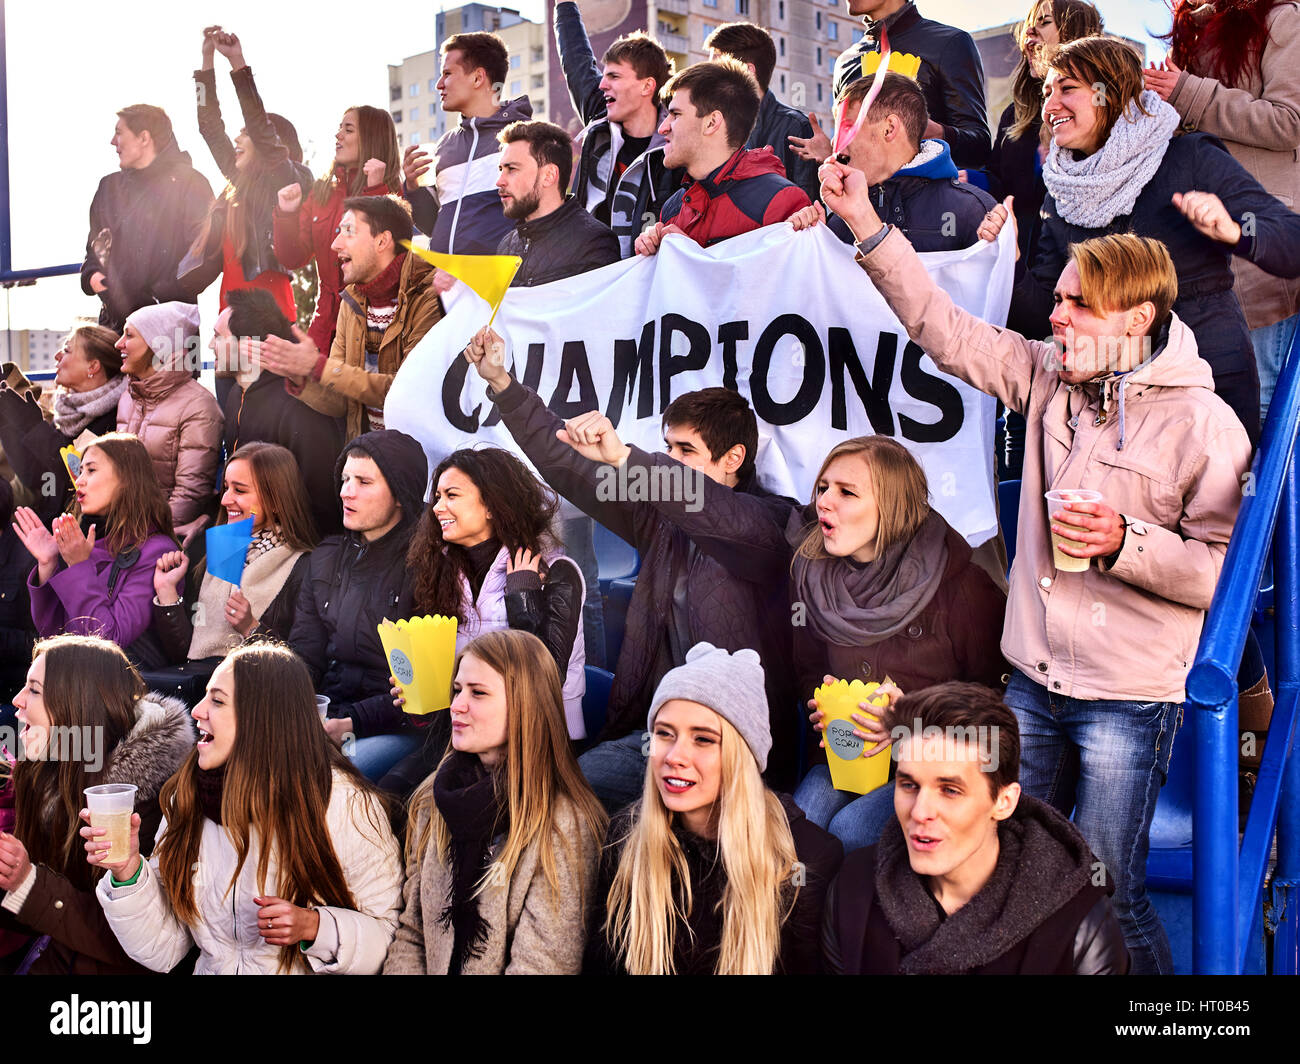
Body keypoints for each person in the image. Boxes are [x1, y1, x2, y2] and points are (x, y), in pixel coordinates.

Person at [825, 154, 1251, 974]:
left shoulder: (1205, 424)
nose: (1056, 318)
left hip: (1128, 699)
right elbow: (940, 326)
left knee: (1107, 886)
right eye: (1057, 300)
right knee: (1015, 871)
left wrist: (1126, 545)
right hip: (1029, 683)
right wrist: (864, 225)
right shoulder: (1045, 376)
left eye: (1078, 307)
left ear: (1136, 316)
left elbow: (1223, 579)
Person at [465, 332, 799, 809]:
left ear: (733, 459)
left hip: (737, 752)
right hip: (649, 740)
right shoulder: (657, 517)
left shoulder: (773, 522)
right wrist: (501, 383)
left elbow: (718, 514)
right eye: (667, 448)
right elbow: (566, 463)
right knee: (562, 802)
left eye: (686, 451)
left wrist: (626, 458)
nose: (670, 460)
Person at [997, 34, 1300, 446]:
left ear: (1112, 91)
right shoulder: (1060, 192)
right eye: (1047, 92)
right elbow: (1042, 319)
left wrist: (1235, 231)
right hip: (1111, 405)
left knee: (1215, 511)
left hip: (1206, 387)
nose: (1050, 106)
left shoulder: (1188, 156)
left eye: (1068, 89)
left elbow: (1291, 242)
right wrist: (1009, 261)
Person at [89, 642, 402, 974]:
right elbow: (163, 948)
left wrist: (315, 928)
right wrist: (127, 872)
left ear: (263, 720)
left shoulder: (343, 803)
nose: (196, 710)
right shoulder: (187, 795)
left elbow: (390, 939)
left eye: (217, 700)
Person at [788, 436, 1007, 853]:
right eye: (822, 488)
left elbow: (997, 700)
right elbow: (808, 670)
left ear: (891, 506)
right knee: (799, 830)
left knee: (852, 833)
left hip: (934, 765)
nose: (824, 502)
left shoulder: (964, 587)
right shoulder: (810, 573)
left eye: (846, 492)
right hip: (846, 753)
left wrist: (911, 714)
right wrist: (819, 702)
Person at [820, 682, 1129, 974]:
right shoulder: (852, 890)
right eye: (909, 785)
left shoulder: (1080, 928)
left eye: (950, 790)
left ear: (1004, 802)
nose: (920, 811)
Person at [585, 643, 843, 975]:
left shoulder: (804, 862)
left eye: (703, 739)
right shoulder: (623, 843)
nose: (675, 756)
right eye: (664, 734)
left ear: (742, 754)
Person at [383, 629, 606, 974]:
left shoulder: (565, 827)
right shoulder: (434, 799)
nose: (456, 705)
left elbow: (541, 965)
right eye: (457, 690)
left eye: (478, 693)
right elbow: (414, 933)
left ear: (525, 707)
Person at [494, 118, 619, 670]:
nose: (499, 179)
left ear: (547, 175)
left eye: (510, 168)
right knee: (520, 565)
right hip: (514, 434)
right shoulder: (505, 242)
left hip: (568, 436)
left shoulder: (593, 241)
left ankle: (584, 692)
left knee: (573, 572)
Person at [0, 635, 193, 975]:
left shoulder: (152, 801)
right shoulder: (44, 767)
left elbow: (133, 947)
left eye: (33, 690)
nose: (16, 701)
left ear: (77, 703)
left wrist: (27, 883)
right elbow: (36, 912)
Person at [1149, 0, 1300, 423]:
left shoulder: (1282, 19)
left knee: (1264, 405)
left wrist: (1188, 93)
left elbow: (1290, 121)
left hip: (1261, 250)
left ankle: (1263, 491)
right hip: (1198, 254)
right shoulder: (1190, 33)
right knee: (1209, 411)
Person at [985, 0, 1104, 480]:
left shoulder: (1108, 116)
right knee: (1022, 414)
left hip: (1080, 284)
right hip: (1021, 278)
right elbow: (995, 181)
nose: (1030, 37)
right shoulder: (1017, 113)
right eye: (1027, 29)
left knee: (1076, 425)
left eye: (1044, 26)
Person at [289, 430, 427, 784]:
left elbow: (419, 688)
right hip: (327, 714)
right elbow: (304, 656)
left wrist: (349, 723)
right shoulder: (325, 558)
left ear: (400, 494)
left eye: (364, 481)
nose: (346, 491)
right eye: (345, 478)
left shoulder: (428, 566)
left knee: (330, 776)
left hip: (392, 726)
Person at [260, 196, 444, 442]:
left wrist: (319, 366)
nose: (335, 244)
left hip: (418, 460)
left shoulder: (430, 298)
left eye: (348, 232)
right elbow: (341, 402)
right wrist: (300, 374)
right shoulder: (352, 300)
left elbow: (406, 392)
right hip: (368, 458)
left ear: (382, 241)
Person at [184, 27, 313, 330]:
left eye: (246, 134)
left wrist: (237, 63)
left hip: (270, 322)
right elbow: (210, 127)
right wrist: (206, 62)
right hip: (228, 322)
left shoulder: (285, 181)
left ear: (270, 142)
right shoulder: (239, 182)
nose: (238, 138)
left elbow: (259, 127)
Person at [152, 442, 317, 674]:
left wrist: (251, 628)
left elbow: (303, 668)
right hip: (201, 694)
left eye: (239, 490)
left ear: (276, 499)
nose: (225, 500)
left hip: (254, 698)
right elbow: (184, 654)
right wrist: (167, 591)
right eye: (226, 487)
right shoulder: (210, 550)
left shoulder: (303, 566)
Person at [14, 434, 179, 658]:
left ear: (127, 479)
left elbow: (110, 641)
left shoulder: (155, 550)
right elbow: (53, 637)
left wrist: (79, 565)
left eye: (91, 470)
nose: (79, 480)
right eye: (80, 471)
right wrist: (48, 564)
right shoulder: (85, 544)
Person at [636, 59, 811, 256]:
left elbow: (783, 284)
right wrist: (652, 254)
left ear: (711, 123)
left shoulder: (782, 202)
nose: (662, 128)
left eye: (675, 114)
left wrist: (692, 257)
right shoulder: (672, 208)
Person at [793, 1, 990, 172]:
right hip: (859, 208)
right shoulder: (845, 61)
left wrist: (931, 131)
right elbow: (850, 158)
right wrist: (832, 152)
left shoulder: (950, 43)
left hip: (927, 208)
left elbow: (979, 148)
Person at [806, 72, 996, 249]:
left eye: (847, 128)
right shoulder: (840, 219)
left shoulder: (974, 211)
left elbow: (1008, 284)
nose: (834, 142)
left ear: (889, 129)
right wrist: (815, 241)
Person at [554, 2, 682, 257]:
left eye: (614, 76)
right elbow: (575, 58)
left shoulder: (678, 144)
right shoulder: (599, 115)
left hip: (644, 282)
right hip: (591, 277)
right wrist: (564, 4)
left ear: (647, 86)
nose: (602, 85)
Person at [214, 288, 346, 536]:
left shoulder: (298, 406)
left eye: (218, 337)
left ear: (250, 346)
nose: (211, 345)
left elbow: (321, 506)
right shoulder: (235, 395)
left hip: (286, 552)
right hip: (236, 534)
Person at [273, 106, 401, 357]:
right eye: (339, 128)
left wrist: (376, 191)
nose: (338, 135)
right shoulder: (322, 191)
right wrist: (286, 214)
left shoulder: (392, 191)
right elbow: (292, 258)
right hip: (324, 331)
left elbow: (388, 266)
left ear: (371, 138)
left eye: (348, 129)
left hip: (373, 334)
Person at [81, 104, 214, 334]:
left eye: (119, 132)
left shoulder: (191, 184)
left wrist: (155, 300)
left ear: (144, 138)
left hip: (172, 327)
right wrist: (99, 284)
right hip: (113, 327)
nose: (113, 141)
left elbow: (205, 255)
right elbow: (93, 254)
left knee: (173, 372)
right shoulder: (108, 187)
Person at [402, 32, 532, 254]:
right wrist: (413, 189)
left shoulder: (526, 139)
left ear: (478, 78)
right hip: (446, 284)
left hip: (500, 284)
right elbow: (435, 225)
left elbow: (540, 222)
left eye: (447, 74)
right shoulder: (444, 146)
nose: (439, 85)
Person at [114, 302, 224, 544]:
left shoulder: (199, 406)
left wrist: (146, 540)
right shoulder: (128, 398)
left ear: (157, 343)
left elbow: (190, 494)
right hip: (124, 534)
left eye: (129, 335)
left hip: (160, 542)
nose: (118, 343)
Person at [0, 325, 126, 523]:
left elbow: (75, 470)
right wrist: (8, 425)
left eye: (67, 350)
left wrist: (33, 426)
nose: (57, 356)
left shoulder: (112, 416)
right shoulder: (67, 413)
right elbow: (35, 476)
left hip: (80, 527)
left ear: (92, 366)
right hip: (51, 519)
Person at [705, 21, 820, 204]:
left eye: (716, 70)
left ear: (747, 71)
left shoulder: (795, 129)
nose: (708, 79)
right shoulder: (711, 129)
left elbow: (807, 212)